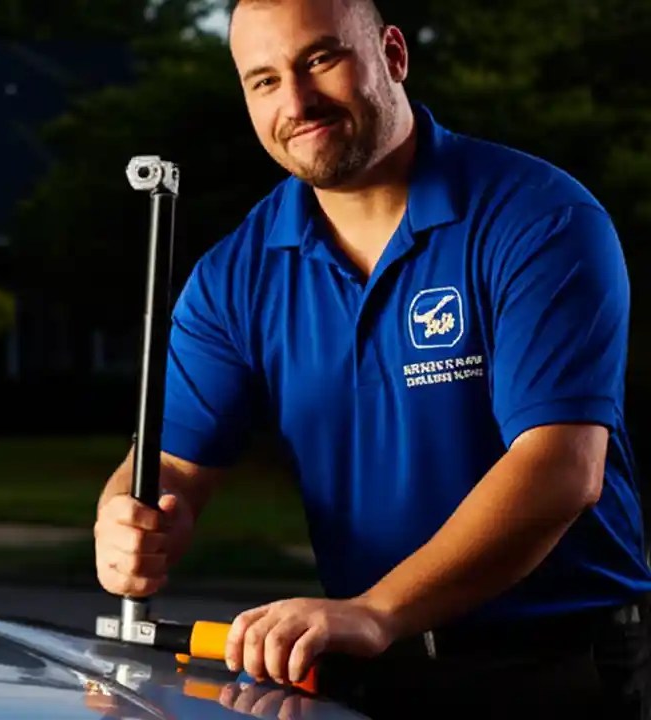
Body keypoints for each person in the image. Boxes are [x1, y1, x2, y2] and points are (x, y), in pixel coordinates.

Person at [91, 0, 651, 717]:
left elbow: (560, 470)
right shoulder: (235, 276)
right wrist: (122, 524)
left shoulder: (540, 219)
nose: (295, 101)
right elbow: (167, 466)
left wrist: (378, 610)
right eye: (263, 81)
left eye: (320, 60)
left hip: (558, 670)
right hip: (365, 672)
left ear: (392, 54)